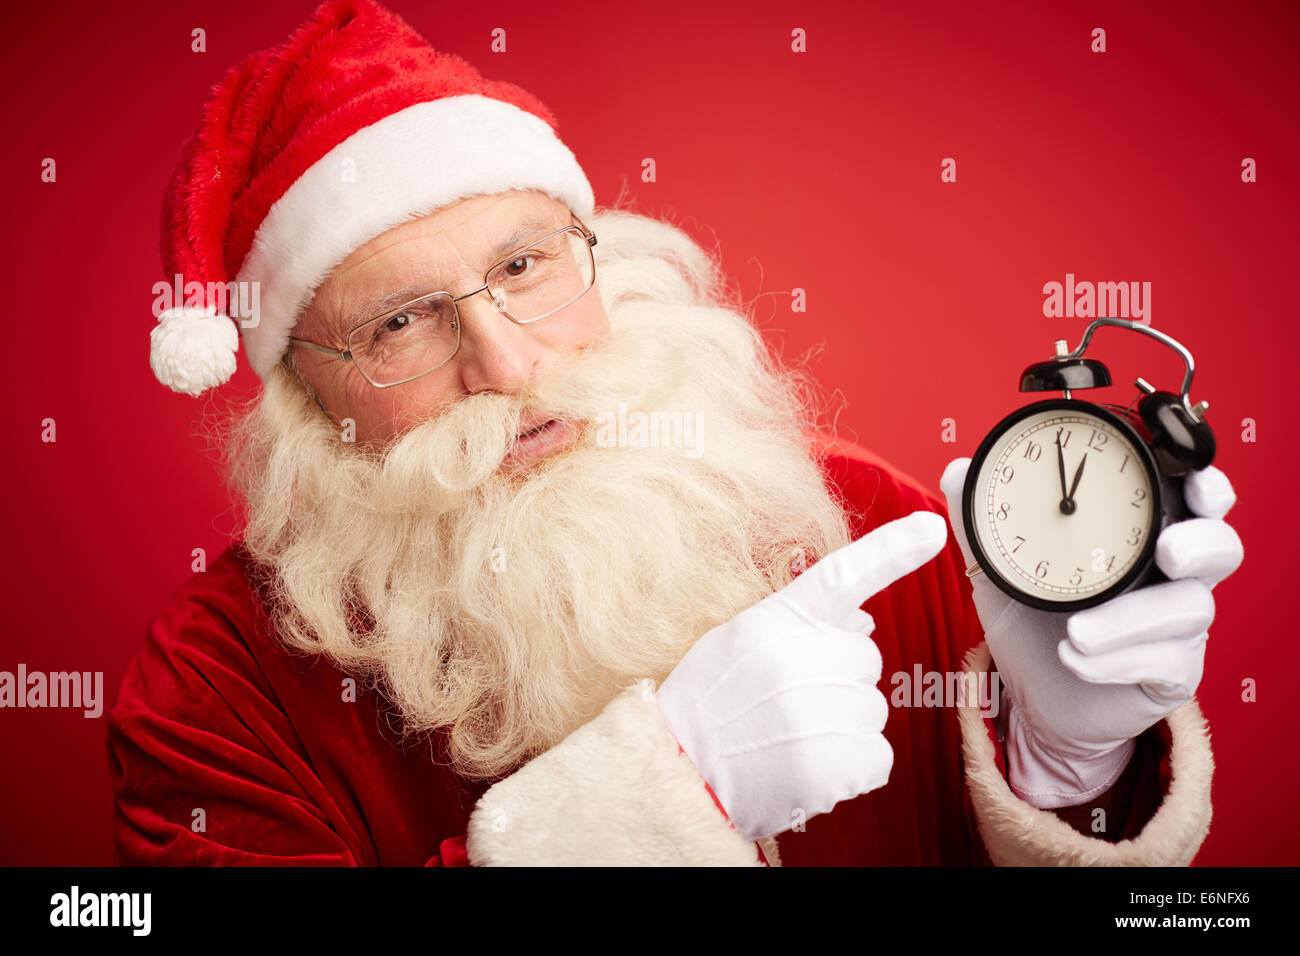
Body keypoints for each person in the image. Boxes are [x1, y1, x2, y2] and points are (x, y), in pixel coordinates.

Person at [110, 0, 1243, 866]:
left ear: (597, 249)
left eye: (522, 265)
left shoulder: (874, 523)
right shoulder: (211, 693)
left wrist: (1067, 767)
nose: (509, 364)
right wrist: (645, 805)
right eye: (400, 322)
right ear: (308, 398)